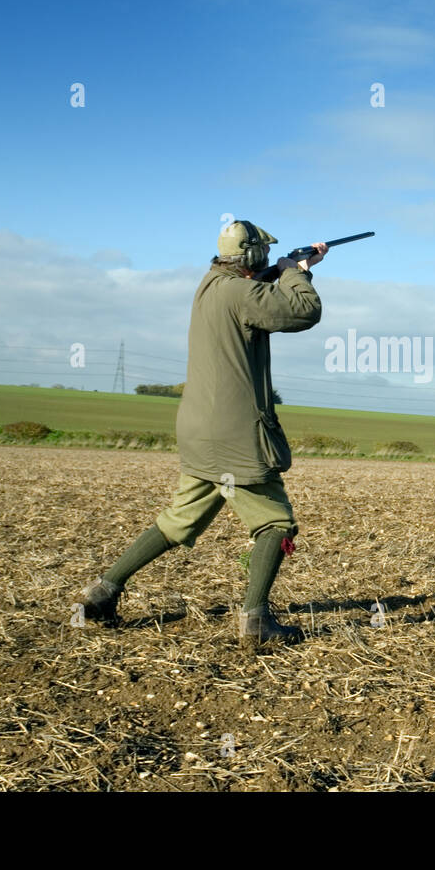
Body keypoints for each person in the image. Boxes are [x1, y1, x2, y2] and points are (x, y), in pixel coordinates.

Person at [75, 220, 327, 646]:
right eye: (262, 255)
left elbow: (257, 295)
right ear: (251, 257)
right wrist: (294, 271)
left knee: (179, 520)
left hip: (200, 429)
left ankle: (101, 592)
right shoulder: (241, 291)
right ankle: (256, 622)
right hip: (235, 434)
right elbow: (303, 311)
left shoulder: (212, 284)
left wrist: (294, 268)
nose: (266, 259)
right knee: (275, 523)